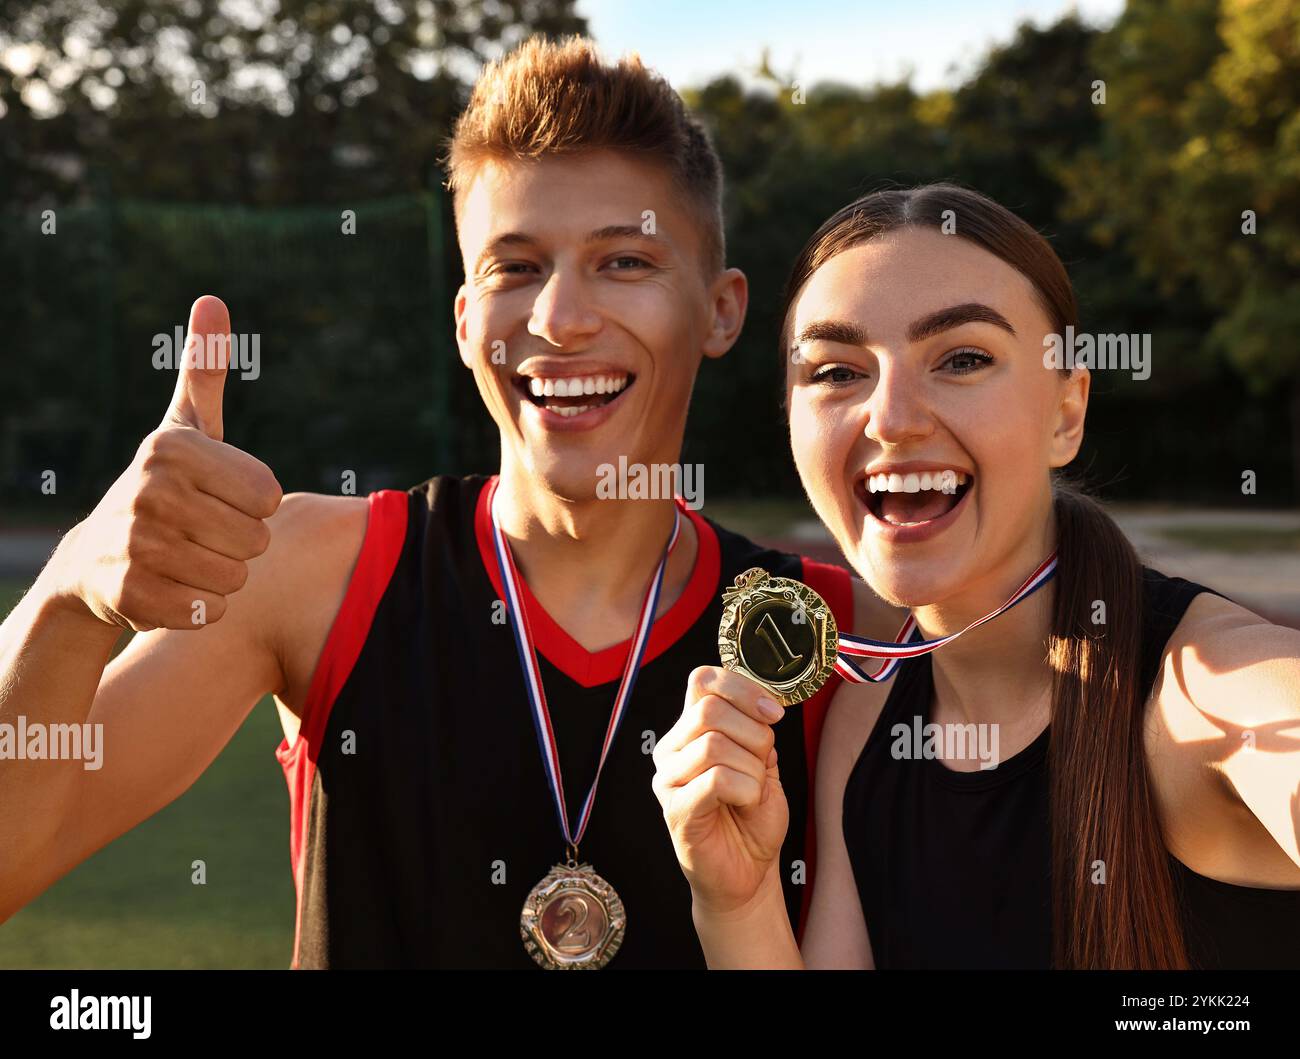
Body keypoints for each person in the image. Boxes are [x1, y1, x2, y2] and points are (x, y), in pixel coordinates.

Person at [0, 36, 906, 969]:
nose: (560, 319)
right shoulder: (313, 574)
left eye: (625, 262)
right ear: (466, 318)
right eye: (515, 267)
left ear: (719, 309)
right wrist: (67, 592)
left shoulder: (832, 636)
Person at [653, 183, 1300, 969]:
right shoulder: (862, 716)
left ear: (1067, 411)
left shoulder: (1206, 691)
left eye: (963, 358)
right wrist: (736, 899)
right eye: (835, 371)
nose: (892, 418)